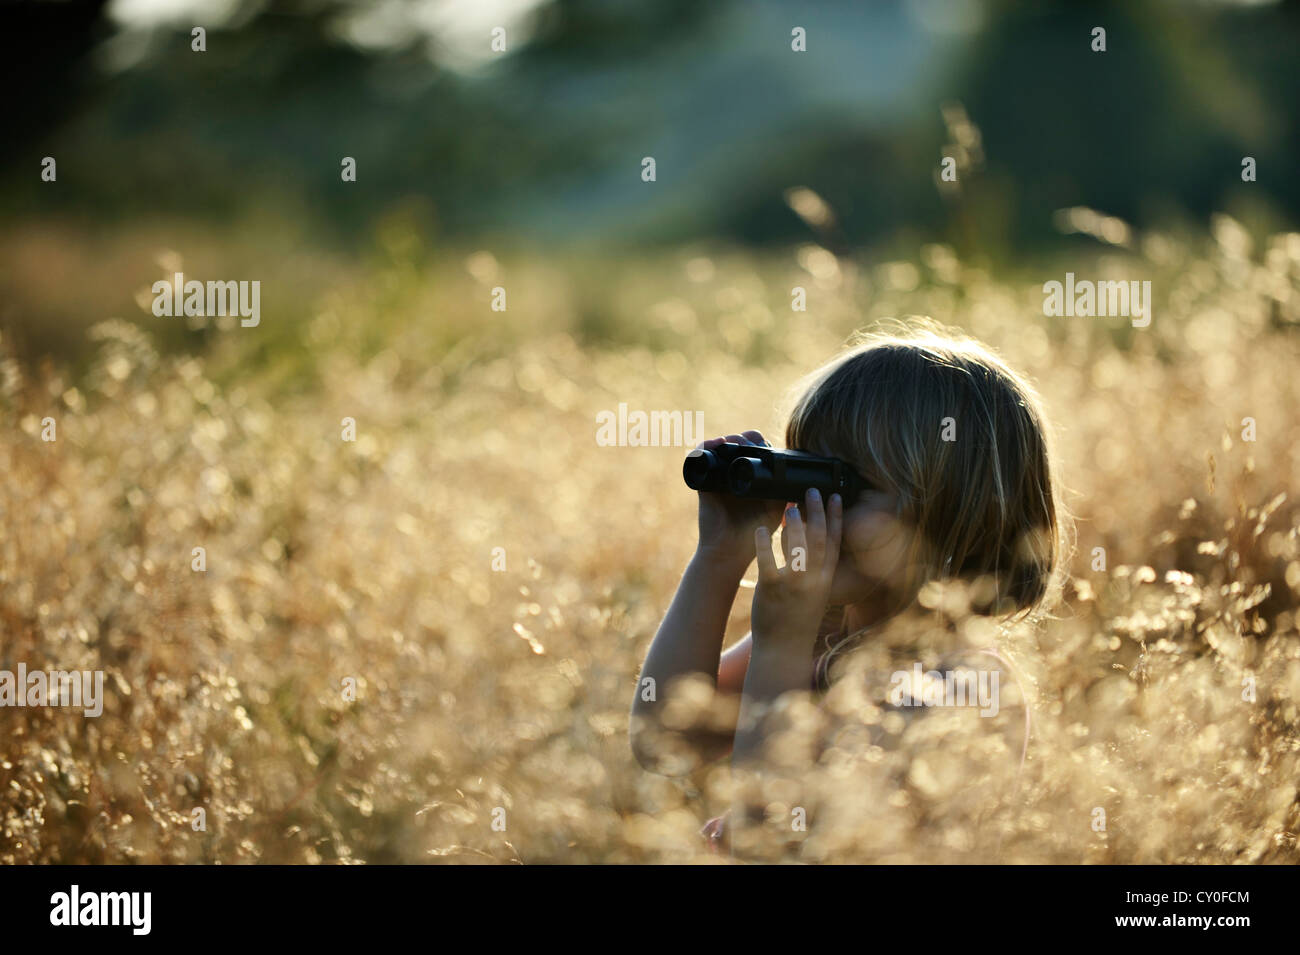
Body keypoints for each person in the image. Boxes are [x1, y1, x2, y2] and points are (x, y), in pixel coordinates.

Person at [629, 322, 1070, 859]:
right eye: (802, 476)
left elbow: (769, 835)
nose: (808, 508)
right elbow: (666, 739)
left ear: (956, 516)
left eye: (844, 487)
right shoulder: (827, 632)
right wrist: (718, 557)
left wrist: (782, 645)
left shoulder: (961, 683)